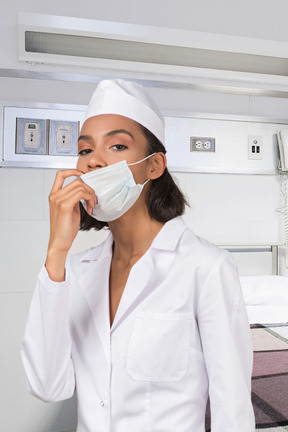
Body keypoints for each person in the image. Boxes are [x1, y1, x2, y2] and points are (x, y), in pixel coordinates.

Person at [21, 79, 255, 432]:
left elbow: (232, 411)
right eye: (85, 150)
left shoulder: (204, 268)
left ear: (154, 165)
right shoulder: (75, 270)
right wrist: (56, 251)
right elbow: (47, 385)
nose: (94, 161)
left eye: (116, 145)